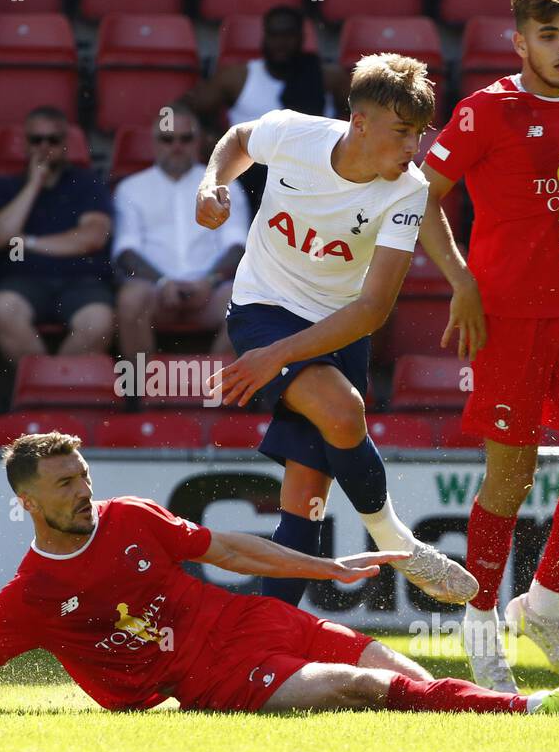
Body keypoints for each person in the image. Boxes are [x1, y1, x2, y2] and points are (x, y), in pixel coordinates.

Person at [0, 433, 559, 716]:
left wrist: (328, 564)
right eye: (65, 485)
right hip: (206, 679)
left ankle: (506, 709)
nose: (83, 490)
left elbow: (231, 552)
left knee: (389, 665)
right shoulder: (30, 597)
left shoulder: (130, 517)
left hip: (246, 622)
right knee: (357, 688)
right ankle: (527, 709)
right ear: (26, 501)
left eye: (84, 476)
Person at [196, 54, 481, 610]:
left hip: (340, 327)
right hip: (264, 308)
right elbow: (238, 139)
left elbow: (374, 310)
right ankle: (397, 543)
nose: (413, 150)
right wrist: (212, 183)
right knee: (345, 412)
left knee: (305, 500)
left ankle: (265, 639)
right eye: (402, 133)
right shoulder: (293, 134)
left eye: (420, 135)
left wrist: (274, 358)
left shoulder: (406, 190)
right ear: (361, 122)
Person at [418, 0, 559, 692]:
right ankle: (481, 629)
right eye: (550, 35)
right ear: (520, 42)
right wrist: (463, 283)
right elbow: (423, 201)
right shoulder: (484, 112)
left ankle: (541, 607)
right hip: (507, 319)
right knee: (509, 479)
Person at [114, 103, 249, 357]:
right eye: (167, 139)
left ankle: (215, 392)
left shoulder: (224, 184)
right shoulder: (130, 188)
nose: (176, 146)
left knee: (247, 303)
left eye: (185, 139)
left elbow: (238, 246)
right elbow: (125, 251)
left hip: (211, 289)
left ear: (198, 142)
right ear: (155, 143)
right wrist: (162, 283)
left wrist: (209, 281)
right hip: (154, 290)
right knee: (130, 299)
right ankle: (142, 393)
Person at [0, 107, 115, 360]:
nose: (44, 146)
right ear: (26, 144)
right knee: (1, 309)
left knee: (99, 321)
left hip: (82, 280)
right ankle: (38, 383)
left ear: (65, 144)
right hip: (22, 280)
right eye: (36, 140)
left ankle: (57, 384)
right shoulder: (4, 185)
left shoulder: (86, 182)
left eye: (53, 140)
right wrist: (35, 183)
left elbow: (92, 238)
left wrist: (27, 241)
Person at [188, 6, 349, 210]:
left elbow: (362, 116)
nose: (281, 43)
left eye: (288, 35)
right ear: (264, 37)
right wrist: (209, 139)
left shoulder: (327, 78)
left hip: (312, 174)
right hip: (248, 174)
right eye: (274, 34)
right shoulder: (237, 78)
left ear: (301, 38)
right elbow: (185, 108)